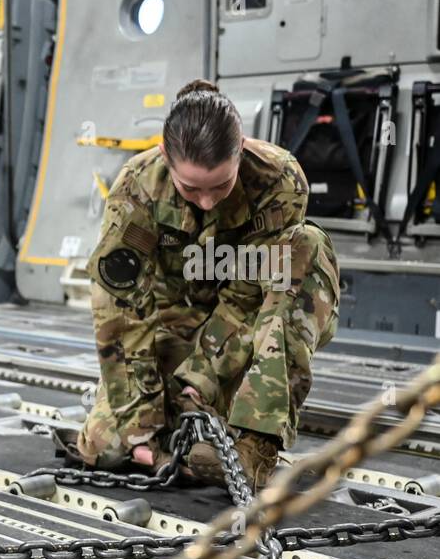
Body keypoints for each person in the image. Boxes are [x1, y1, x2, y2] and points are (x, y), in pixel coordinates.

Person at [75, 78, 340, 487]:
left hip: (249, 332)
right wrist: (140, 422)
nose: (207, 201)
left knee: (307, 247)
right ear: (165, 156)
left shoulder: (278, 182)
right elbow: (121, 306)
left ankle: (255, 444)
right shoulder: (138, 187)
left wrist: (200, 379)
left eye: (221, 185)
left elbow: (246, 299)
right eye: (191, 188)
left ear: (240, 150)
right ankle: (197, 432)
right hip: (173, 327)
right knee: (106, 446)